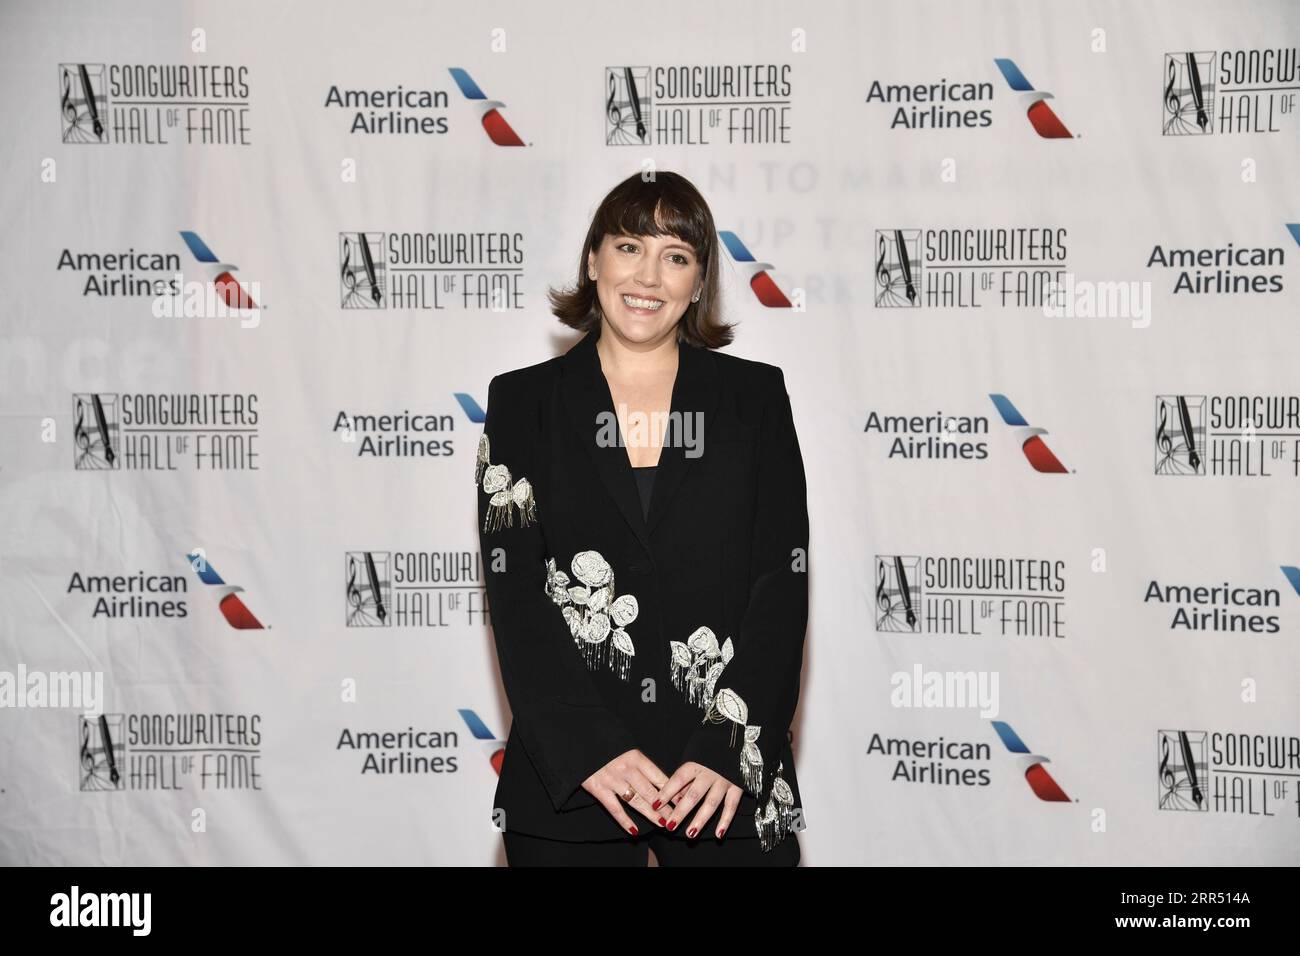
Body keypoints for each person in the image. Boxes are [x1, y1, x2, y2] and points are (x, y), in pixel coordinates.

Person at [475, 170, 808, 866]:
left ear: (698, 281)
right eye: (629, 246)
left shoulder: (755, 399)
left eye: (675, 256)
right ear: (593, 260)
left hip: (725, 779)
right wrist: (589, 747)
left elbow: (780, 587)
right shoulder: (521, 404)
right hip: (572, 779)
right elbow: (517, 596)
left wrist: (729, 745)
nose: (648, 276)